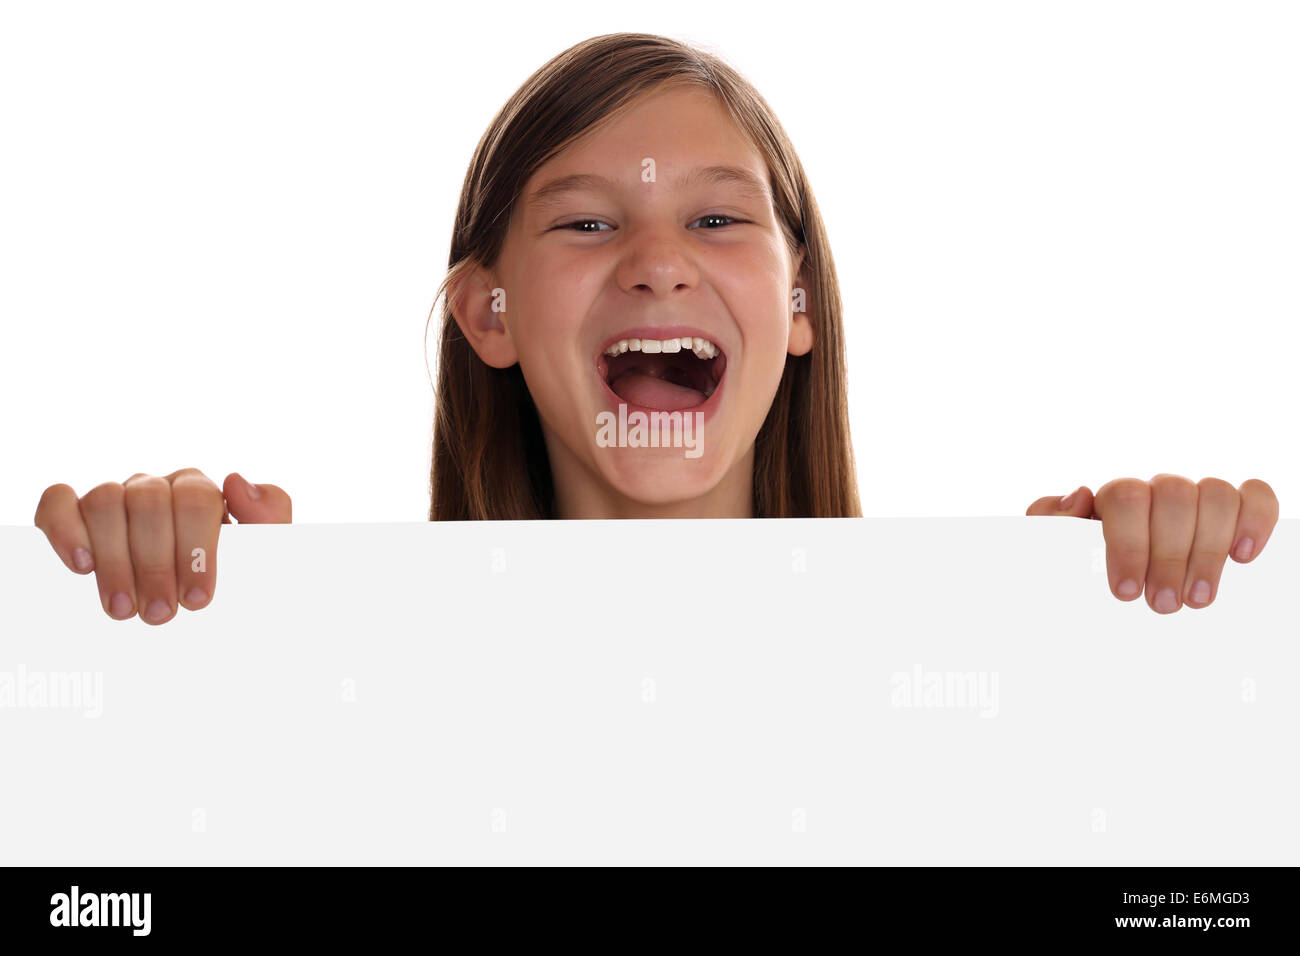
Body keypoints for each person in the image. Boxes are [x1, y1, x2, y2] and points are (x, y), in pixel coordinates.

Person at [31, 34, 1279, 624]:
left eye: (719, 220)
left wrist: (1147, 641)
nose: (658, 266)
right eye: (584, 226)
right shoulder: (326, 662)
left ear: (799, 307)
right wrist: (151, 625)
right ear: (490, 313)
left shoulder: (992, 649)